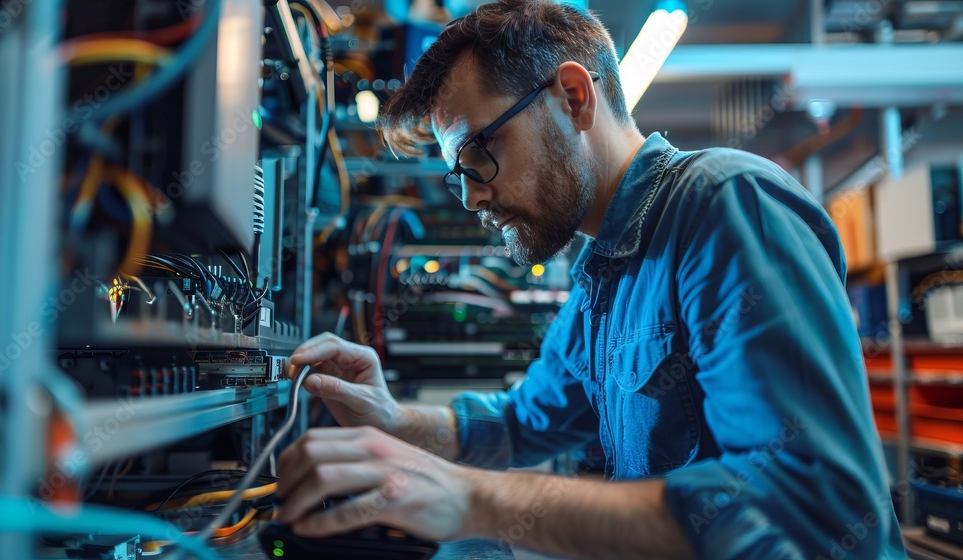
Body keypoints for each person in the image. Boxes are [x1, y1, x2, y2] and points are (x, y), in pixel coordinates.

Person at [275, 1, 906, 558]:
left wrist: (472, 499)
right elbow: (524, 423)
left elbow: (808, 502)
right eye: (458, 173)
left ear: (574, 97)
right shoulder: (602, 274)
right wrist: (393, 419)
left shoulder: (725, 205)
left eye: (479, 155)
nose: (470, 199)